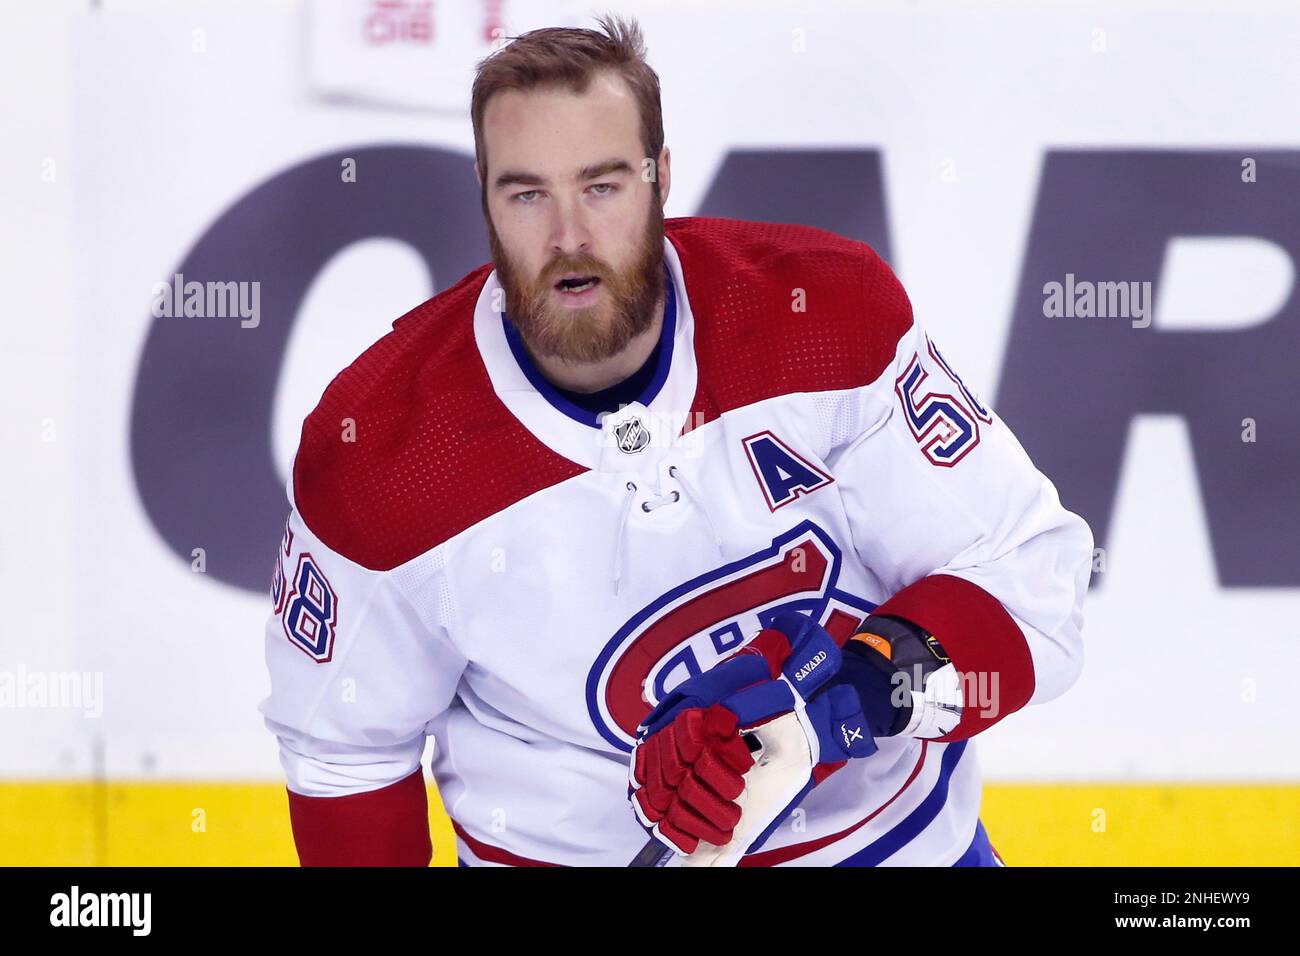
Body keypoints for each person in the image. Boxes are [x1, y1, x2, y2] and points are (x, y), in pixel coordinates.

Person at [261, 13, 1093, 867]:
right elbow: (343, 755)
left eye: (603, 185)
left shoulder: (824, 322)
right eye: (527, 194)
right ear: (484, 195)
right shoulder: (382, 458)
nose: (568, 237)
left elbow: (1034, 579)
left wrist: (838, 707)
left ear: (661, 177)